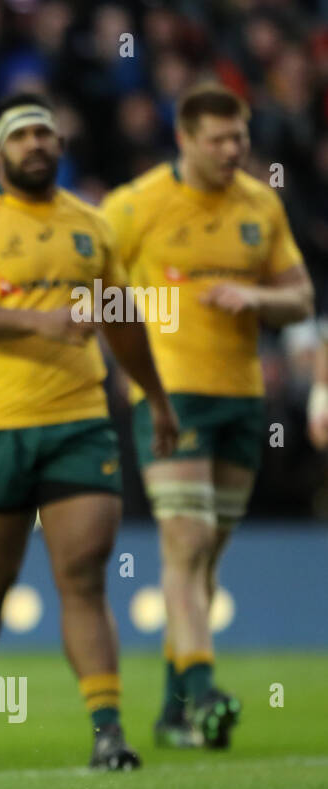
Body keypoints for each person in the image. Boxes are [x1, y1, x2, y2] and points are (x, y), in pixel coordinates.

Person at [0, 92, 178, 770]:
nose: (35, 145)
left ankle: (107, 731)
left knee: (84, 573)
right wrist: (41, 321)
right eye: (22, 135)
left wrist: (157, 399)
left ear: (60, 147)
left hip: (80, 418)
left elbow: (122, 321)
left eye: (46, 134)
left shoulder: (93, 227)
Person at [100, 83, 315, 749]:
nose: (233, 150)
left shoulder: (260, 204)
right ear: (185, 139)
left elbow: (302, 298)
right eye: (219, 139)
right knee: (185, 545)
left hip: (243, 399)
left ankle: (171, 711)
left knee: (207, 559)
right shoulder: (135, 206)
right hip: (172, 395)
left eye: (240, 138)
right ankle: (204, 694)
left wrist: (255, 294)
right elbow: (95, 286)